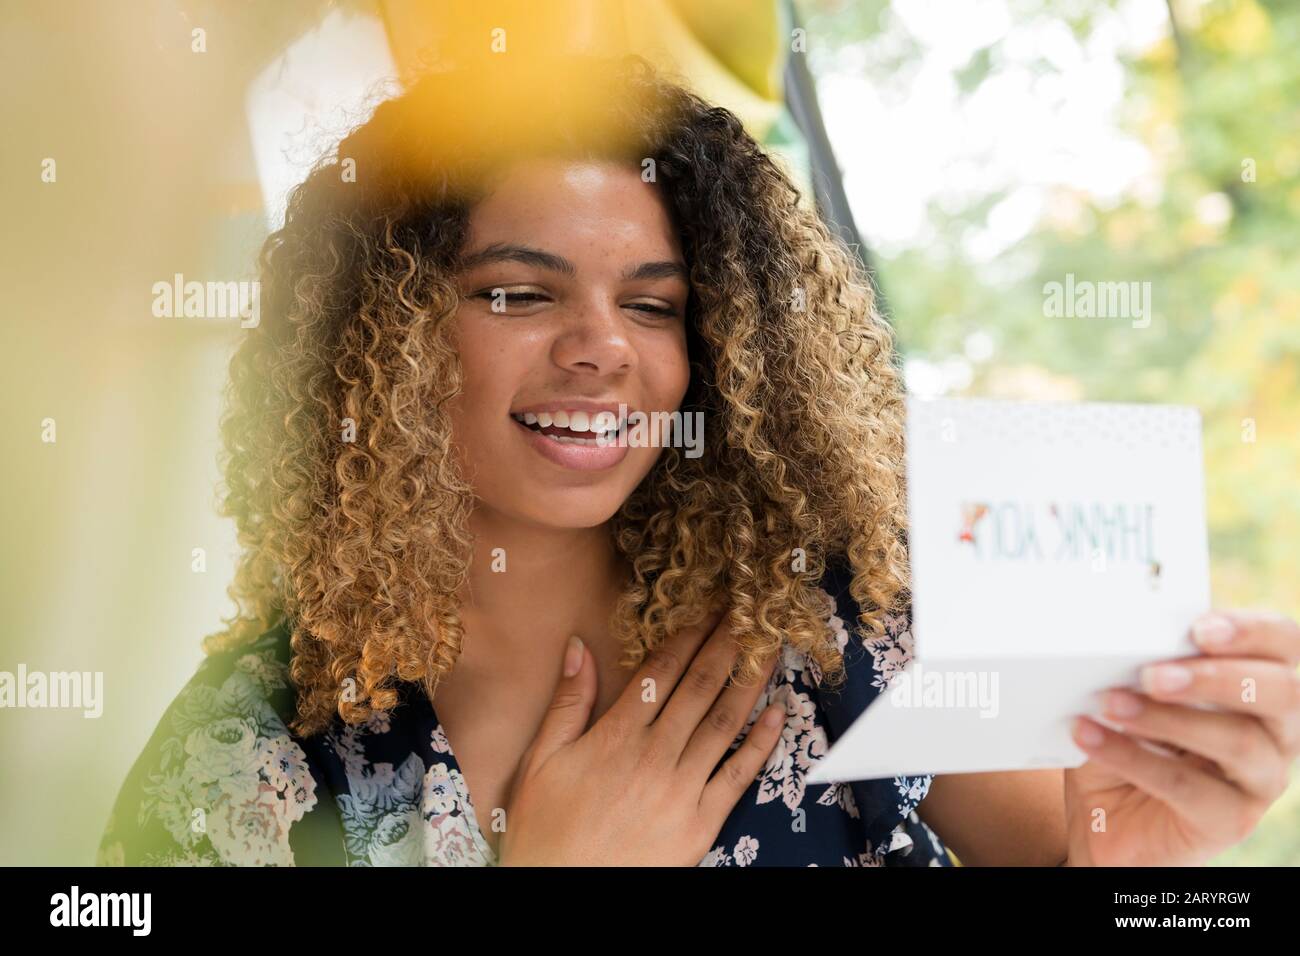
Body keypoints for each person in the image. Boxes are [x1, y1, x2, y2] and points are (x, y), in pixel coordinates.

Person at [96, 54, 1300, 867]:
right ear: (376, 335)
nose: (602, 350)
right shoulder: (239, 768)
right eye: (518, 292)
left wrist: (1139, 867)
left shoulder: (842, 624)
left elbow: (1090, 862)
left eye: (656, 305)